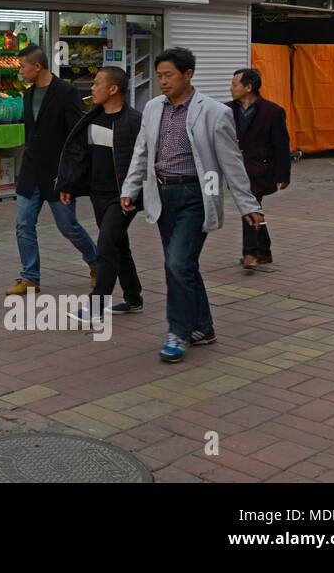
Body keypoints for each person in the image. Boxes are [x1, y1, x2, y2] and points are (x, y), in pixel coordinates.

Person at [120, 47, 263, 363]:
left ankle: (179, 331)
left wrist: (248, 204)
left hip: (196, 196)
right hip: (163, 196)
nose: (163, 81)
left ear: (188, 74)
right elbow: (142, 152)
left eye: (168, 75)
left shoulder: (214, 112)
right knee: (184, 265)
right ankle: (204, 328)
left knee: (176, 264)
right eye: (159, 75)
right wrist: (130, 188)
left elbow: (232, 162)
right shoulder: (154, 108)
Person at [6, 44, 97, 296]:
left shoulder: (66, 92)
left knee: (68, 226)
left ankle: (96, 262)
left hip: (58, 173)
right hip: (30, 171)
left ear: (37, 66)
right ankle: (30, 277)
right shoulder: (27, 94)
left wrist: (72, 172)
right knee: (23, 224)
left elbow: (77, 135)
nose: (20, 72)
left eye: (23, 66)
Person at [56, 66, 144, 322]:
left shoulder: (133, 121)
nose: (92, 88)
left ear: (113, 89)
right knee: (120, 246)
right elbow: (79, 156)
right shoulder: (92, 119)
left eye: (96, 83)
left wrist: (136, 192)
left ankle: (97, 305)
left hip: (124, 197)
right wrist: (67, 185)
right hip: (99, 195)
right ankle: (133, 297)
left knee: (105, 247)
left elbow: (143, 161)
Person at [228, 67, 291, 269]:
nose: (231, 88)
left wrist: (283, 175)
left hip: (259, 171)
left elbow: (281, 145)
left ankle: (250, 253)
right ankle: (264, 250)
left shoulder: (272, 112)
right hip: (237, 171)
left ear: (249, 87)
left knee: (249, 207)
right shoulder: (226, 110)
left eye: (235, 84)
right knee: (254, 209)